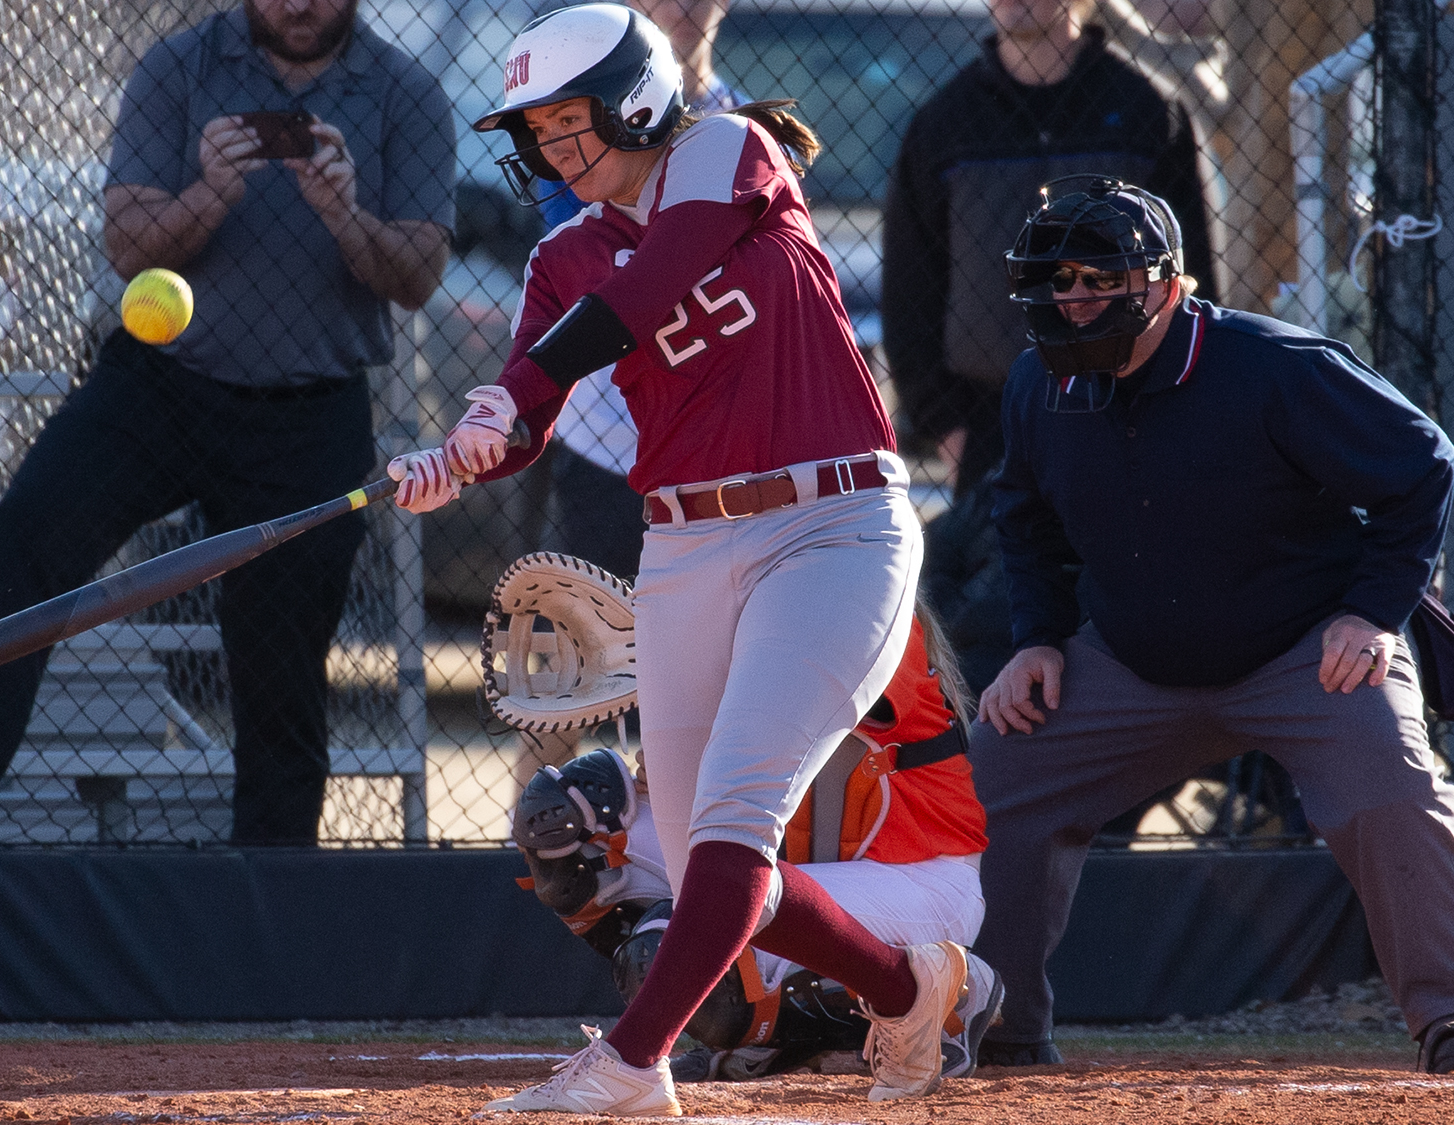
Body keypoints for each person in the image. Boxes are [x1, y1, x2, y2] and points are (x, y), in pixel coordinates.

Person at [389, 4, 967, 1112]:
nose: (555, 149)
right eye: (538, 132)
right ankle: (905, 994)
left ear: (638, 98)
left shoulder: (723, 151)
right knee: (712, 849)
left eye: (574, 123)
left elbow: (648, 289)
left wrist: (505, 394)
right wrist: (460, 453)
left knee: (736, 819)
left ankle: (626, 1063)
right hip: (684, 547)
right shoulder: (561, 256)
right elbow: (528, 418)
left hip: (831, 528)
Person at [0, 0, 456, 846]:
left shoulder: (405, 92)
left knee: (281, 658)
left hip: (311, 409)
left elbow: (414, 277)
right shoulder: (182, 66)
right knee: (27, 541)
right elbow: (128, 244)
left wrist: (342, 211)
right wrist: (214, 191)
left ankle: (273, 876)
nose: (298, 7)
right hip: (161, 386)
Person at [967, 175, 1454, 1074]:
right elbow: (1023, 519)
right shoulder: (1040, 384)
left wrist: (1373, 614)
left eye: (1098, 280)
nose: (1076, 303)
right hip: (1133, 658)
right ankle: (1000, 1023)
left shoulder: (1273, 366)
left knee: (1390, 781)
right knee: (998, 775)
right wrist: (1036, 638)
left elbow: (1424, 462)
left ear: (1169, 284)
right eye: (1058, 282)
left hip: (1304, 648)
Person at [511, 605, 1003, 1084]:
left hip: (919, 884)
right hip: (796, 878)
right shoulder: (742, 612)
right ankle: (768, 1031)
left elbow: (791, 686)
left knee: (675, 944)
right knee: (570, 817)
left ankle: (941, 999)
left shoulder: (872, 609)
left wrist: (670, 662)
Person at [882, 0, 1215, 497]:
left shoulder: (1147, 108)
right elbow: (910, 296)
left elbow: (1193, 279)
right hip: (991, 427)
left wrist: (1172, 407)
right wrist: (953, 435)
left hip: (1130, 414)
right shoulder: (943, 123)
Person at [538, 0, 748, 584]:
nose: (680, 5)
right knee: (609, 652)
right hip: (610, 437)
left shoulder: (747, 131)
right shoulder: (577, 125)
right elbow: (592, 252)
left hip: (717, 444)